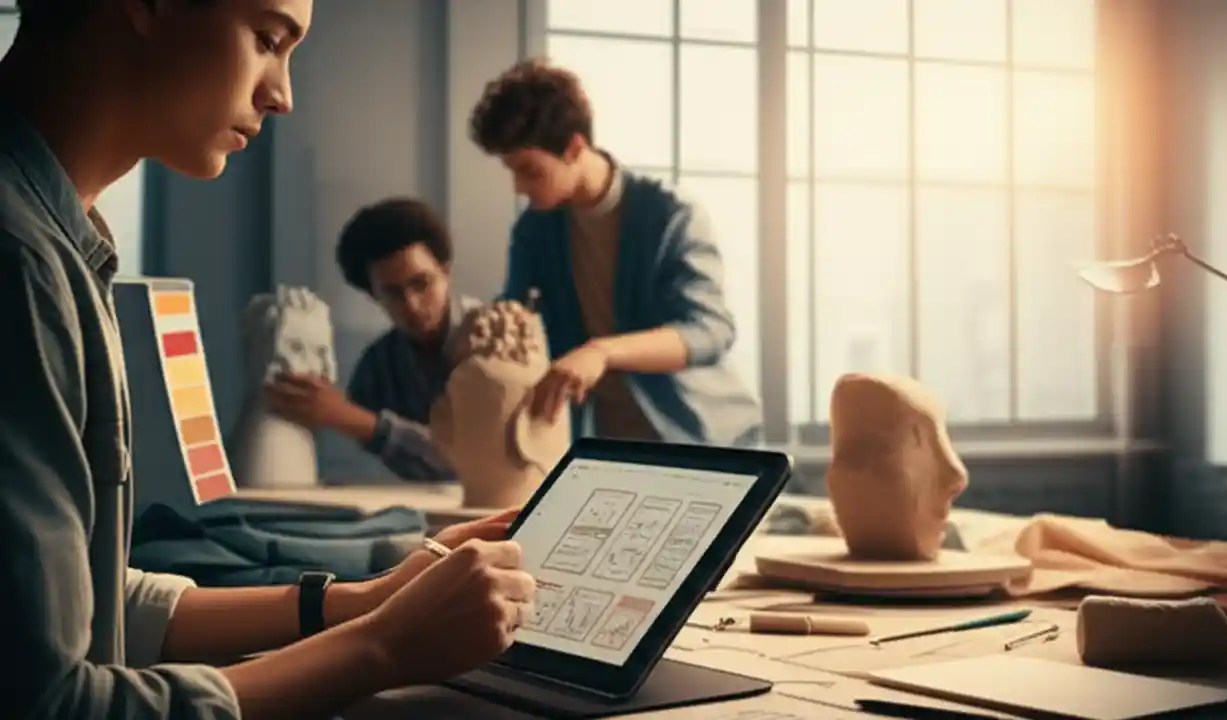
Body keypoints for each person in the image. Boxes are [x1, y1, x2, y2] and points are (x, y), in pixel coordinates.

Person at [0, 1, 534, 718]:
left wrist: (364, 602)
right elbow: (50, 704)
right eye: (267, 39)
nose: (282, 93)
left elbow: (81, 605)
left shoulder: (59, 244)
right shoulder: (21, 262)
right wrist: (381, 648)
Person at [469, 58, 763, 447]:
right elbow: (517, 314)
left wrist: (602, 353)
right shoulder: (535, 228)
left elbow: (711, 331)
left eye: (531, 171)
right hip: (606, 444)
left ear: (575, 148)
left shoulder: (670, 214)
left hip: (701, 438)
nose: (518, 187)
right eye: (511, 171)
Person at [266, 196, 481, 481]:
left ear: (446, 271)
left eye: (421, 283)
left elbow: (478, 461)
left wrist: (353, 420)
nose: (412, 305)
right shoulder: (376, 369)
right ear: (372, 295)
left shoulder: (498, 339)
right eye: (392, 292)